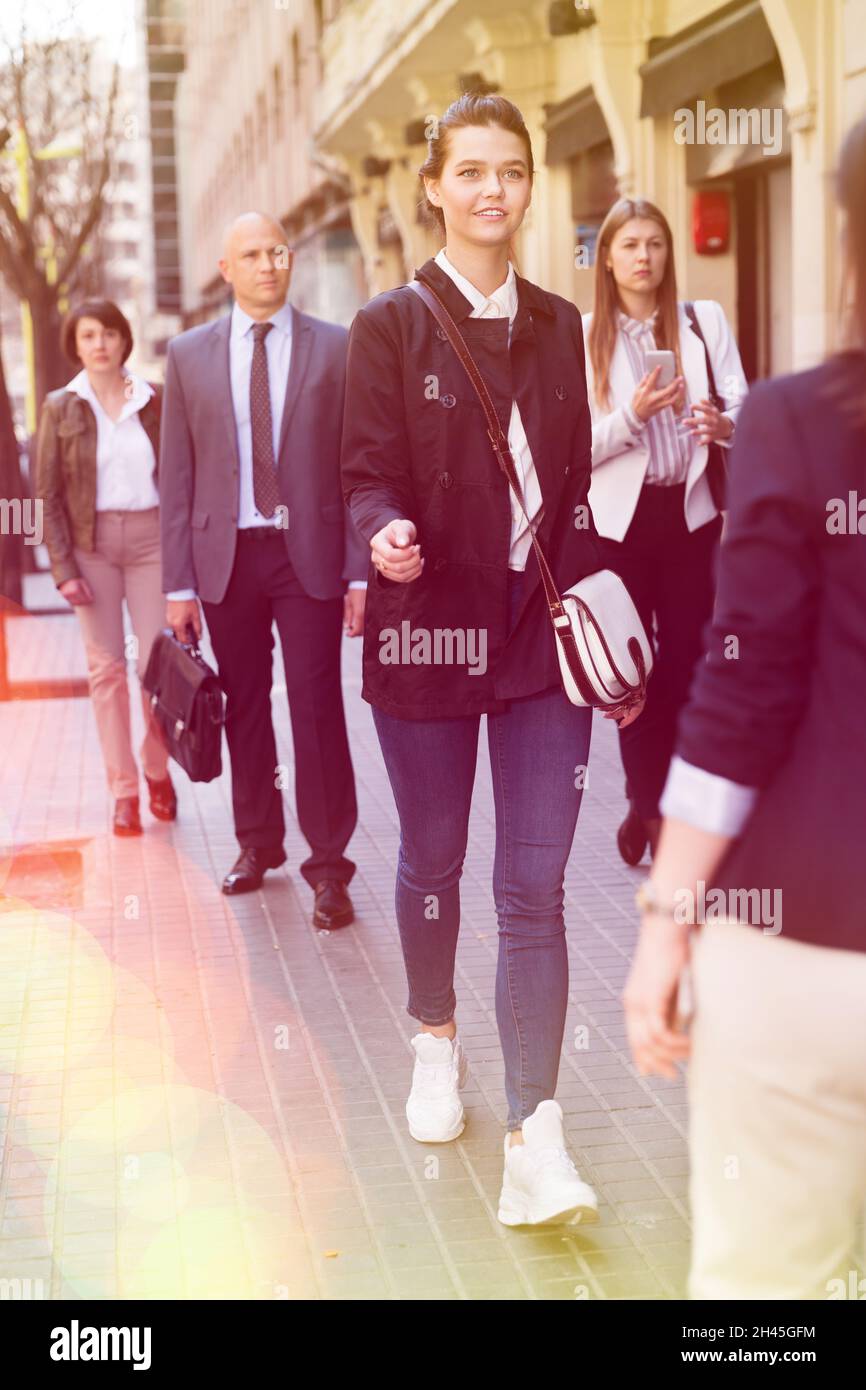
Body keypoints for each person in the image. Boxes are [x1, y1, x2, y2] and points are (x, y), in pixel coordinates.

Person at [342, 94, 641, 1227]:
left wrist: (612, 631)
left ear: (527, 185)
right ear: (433, 186)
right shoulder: (389, 327)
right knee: (428, 861)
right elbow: (361, 471)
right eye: (468, 171)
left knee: (533, 887)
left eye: (509, 171)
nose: (490, 191)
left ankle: (536, 1139)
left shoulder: (562, 323)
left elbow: (569, 497)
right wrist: (383, 530)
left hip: (531, 644)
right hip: (425, 634)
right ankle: (433, 1038)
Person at [623, 113, 866, 1298]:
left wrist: (665, 926)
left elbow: (742, 689)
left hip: (803, 944)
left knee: (764, 1307)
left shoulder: (800, 421)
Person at [159, 212, 368, 927]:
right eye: (251, 254)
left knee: (316, 706)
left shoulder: (336, 348)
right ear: (226, 268)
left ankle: (330, 866)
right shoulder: (187, 355)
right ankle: (257, 844)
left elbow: (355, 468)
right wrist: (179, 584)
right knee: (244, 703)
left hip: (306, 553)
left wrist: (359, 572)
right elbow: (178, 476)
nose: (268, 264)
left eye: (277, 251)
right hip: (227, 558)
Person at [583, 198, 747, 860]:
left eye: (653, 244)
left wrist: (724, 424)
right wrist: (631, 415)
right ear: (609, 258)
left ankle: (672, 805)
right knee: (631, 673)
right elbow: (570, 451)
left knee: (686, 664)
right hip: (620, 527)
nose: (643, 257)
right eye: (629, 246)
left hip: (690, 517)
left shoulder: (702, 321)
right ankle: (645, 807)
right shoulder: (586, 333)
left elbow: (742, 397)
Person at [35, 299, 175, 836]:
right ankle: (123, 790)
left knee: (155, 667)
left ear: (123, 341)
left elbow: (176, 477)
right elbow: (46, 494)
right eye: (88, 335)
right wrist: (63, 566)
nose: (99, 344)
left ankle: (157, 768)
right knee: (107, 671)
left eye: (109, 334)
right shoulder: (60, 407)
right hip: (91, 548)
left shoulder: (152, 400)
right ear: (76, 344)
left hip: (150, 540)